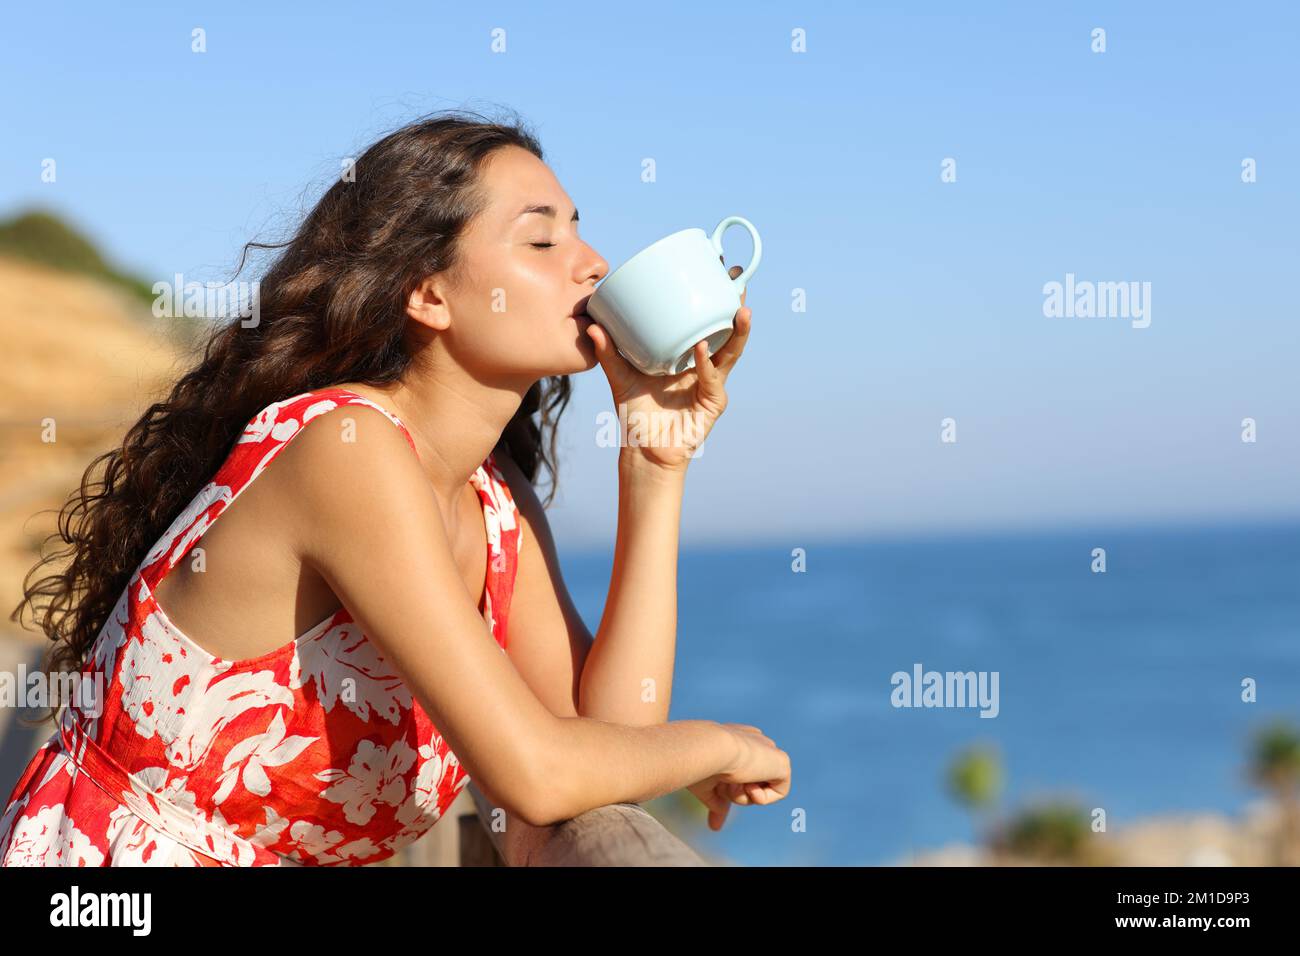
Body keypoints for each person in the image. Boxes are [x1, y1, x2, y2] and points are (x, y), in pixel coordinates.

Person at [0, 109, 790, 866]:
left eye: (578, 231)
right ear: (429, 294)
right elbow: (540, 773)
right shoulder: (347, 450)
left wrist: (653, 467)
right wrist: (720, 743)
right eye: (542, 239)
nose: (591, 263)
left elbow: (611, 729)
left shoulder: (492, 498)